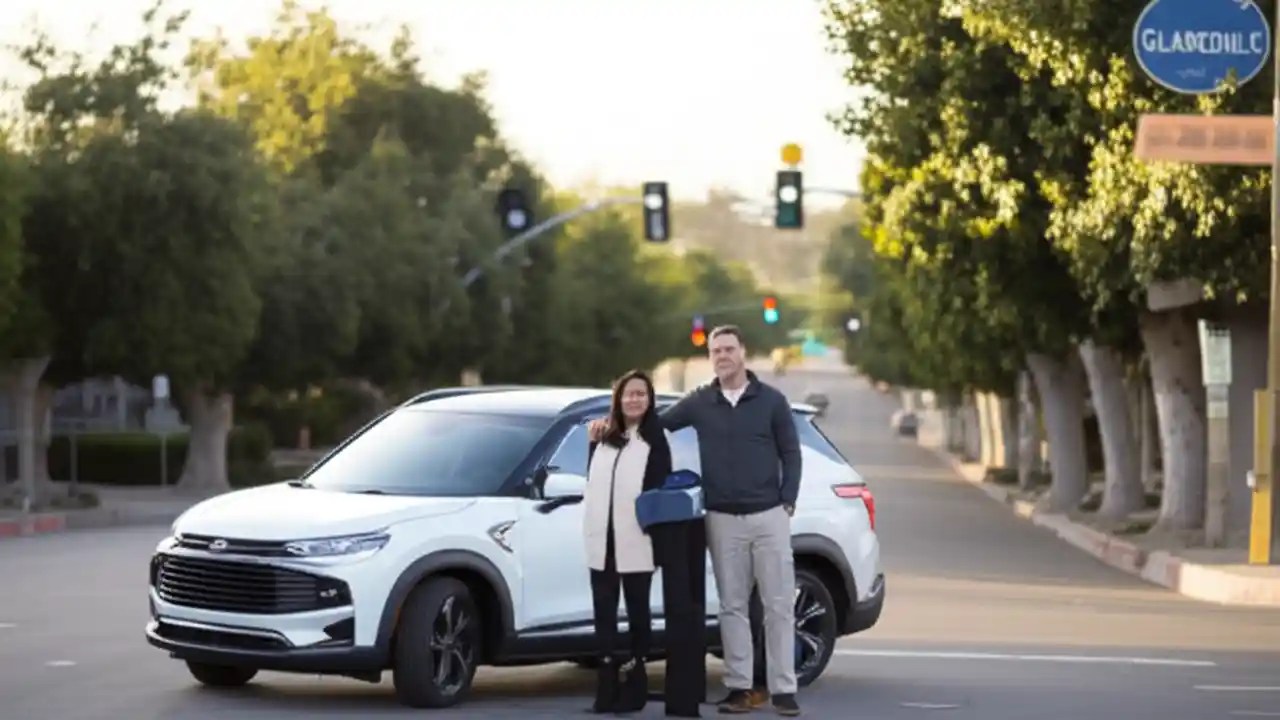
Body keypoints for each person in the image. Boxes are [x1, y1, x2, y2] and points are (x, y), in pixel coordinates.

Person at [589, 325, 803, 717]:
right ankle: (739, 688)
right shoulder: (700, 402)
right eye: (715, 351)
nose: (722, 356)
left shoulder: (772, 401)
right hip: (720, 517)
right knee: (732, 606)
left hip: (769, 514)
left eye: (728, 349)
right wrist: (609, 426)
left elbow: (791, 453)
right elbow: (653, 424)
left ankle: (784, 689)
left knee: (778, 605)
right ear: (711, 358)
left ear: (743, 352)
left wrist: (786, 501)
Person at [582, 369, 673, 714]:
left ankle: (635, 687)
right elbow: (594, 486)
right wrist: (593, 444)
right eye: (628, 393)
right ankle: (605, 689)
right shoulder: (604, 437)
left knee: (638, 615)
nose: (634, 399)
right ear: (618, 399)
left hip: (637, 540)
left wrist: (655, 540)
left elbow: (658, 494)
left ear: (649, 400)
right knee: (604, 616)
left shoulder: (655, 440)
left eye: (641, 393)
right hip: (601, 542)